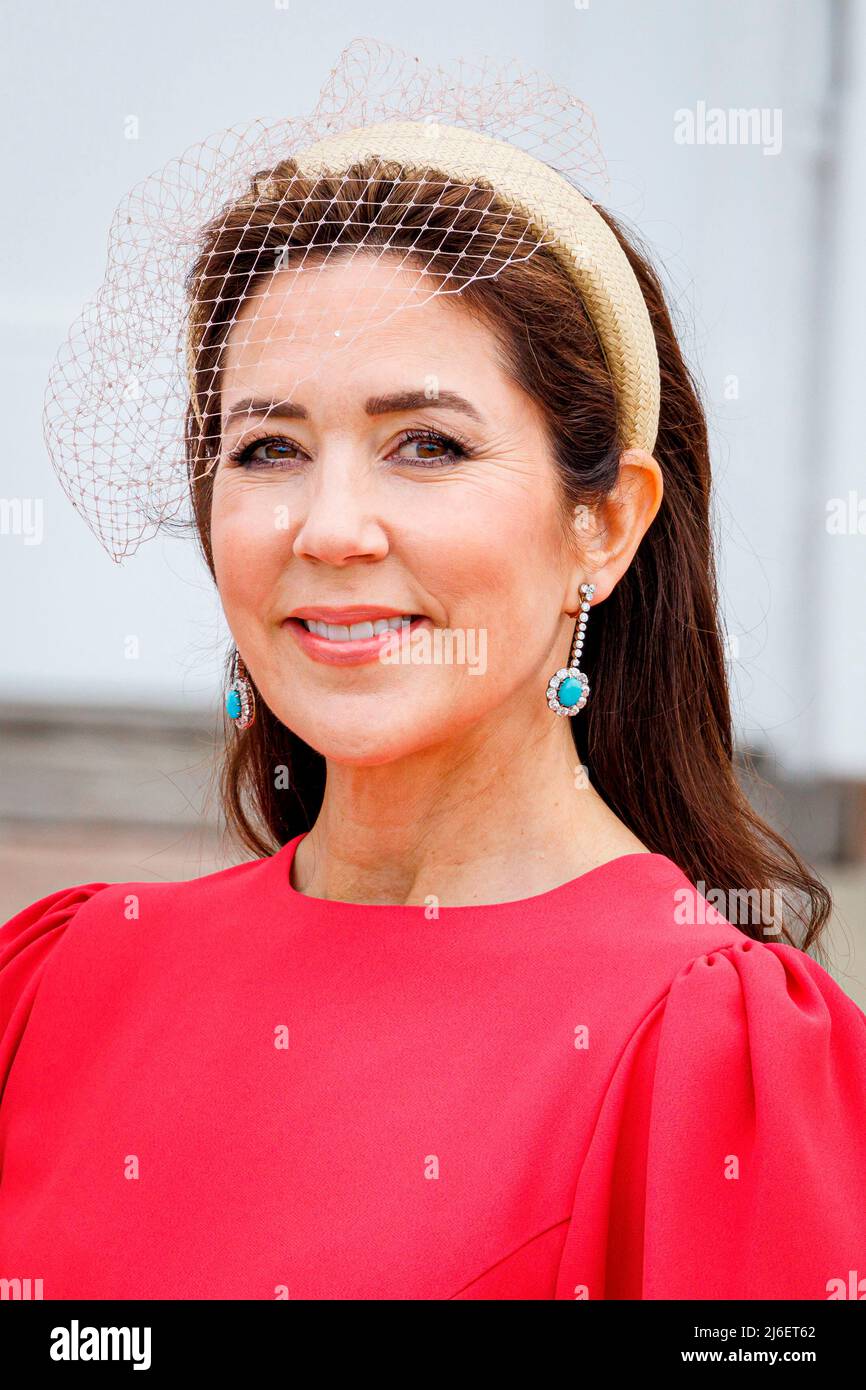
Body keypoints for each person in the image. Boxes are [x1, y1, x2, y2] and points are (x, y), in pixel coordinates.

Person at [2, 41, 865, 1300]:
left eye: (425, 443)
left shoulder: (710, 1056)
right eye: (267, 449)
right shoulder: (63, 985)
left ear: (604, 524)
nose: (330, 527)